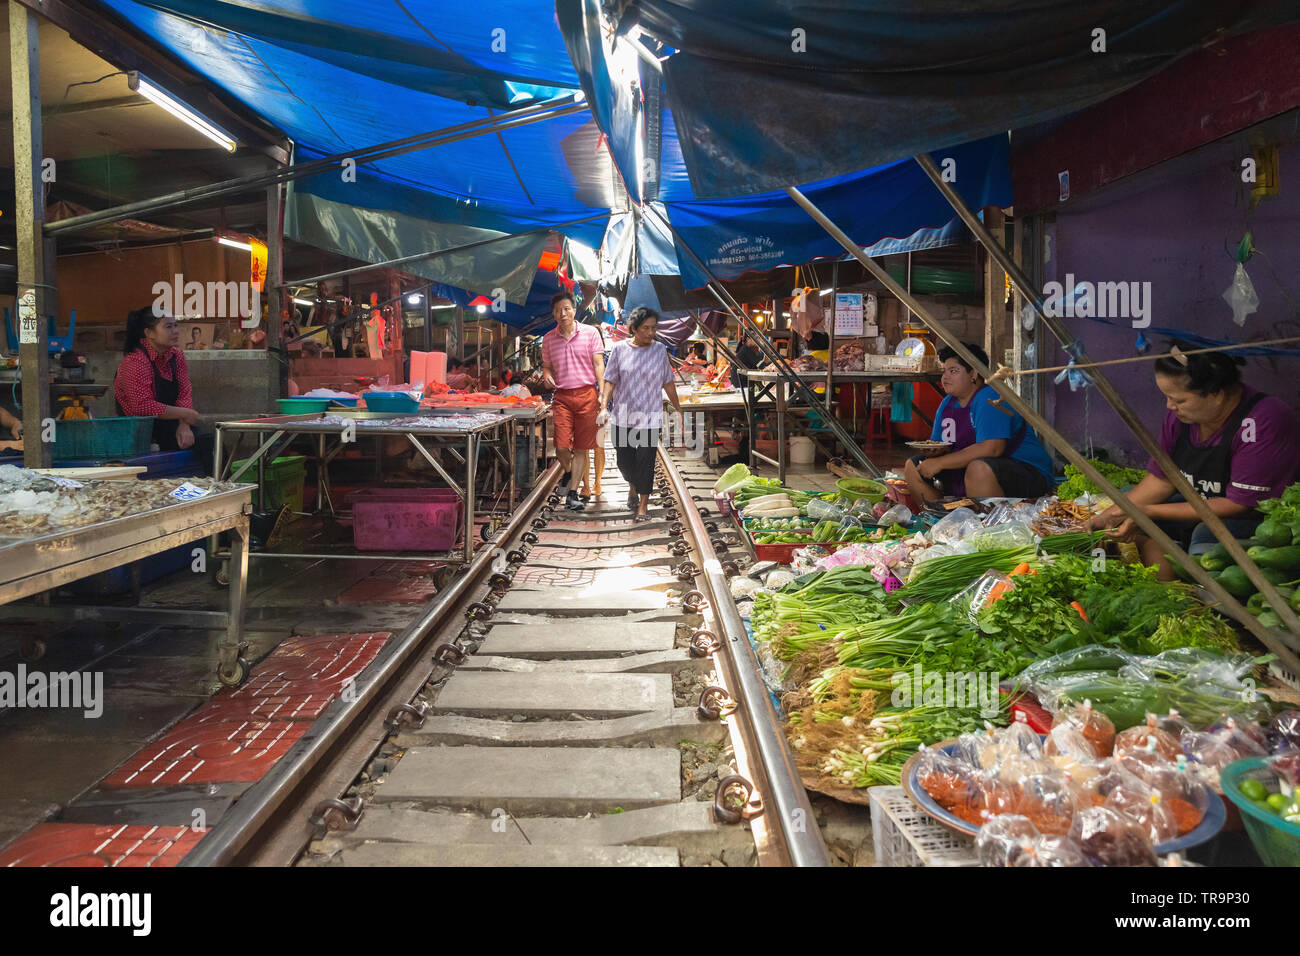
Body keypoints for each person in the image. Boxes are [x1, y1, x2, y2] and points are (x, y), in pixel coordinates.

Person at [1089, 345, 1300, 577]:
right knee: (1126, 507)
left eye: (1178, 399)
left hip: (1256, 519)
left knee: (1205, 537)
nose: (1170, 406)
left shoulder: (1263, 421)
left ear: (1216, 394)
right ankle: (1165, 584)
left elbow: (1240, 505)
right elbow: (1162, 480)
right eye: (1167, 397)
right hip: (1203, 501)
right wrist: (1107, 516)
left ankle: (1192, 594)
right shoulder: (1181, 418)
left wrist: (1149, 511)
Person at [904, 343, 1055, 503]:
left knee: (978, 469)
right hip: (969, 467)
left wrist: (940, 462)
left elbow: (993, 448)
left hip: (1026, 472)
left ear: (974, 374)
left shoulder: (990, 397)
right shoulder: (948, 403)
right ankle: (941, 520)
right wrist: (933, 455)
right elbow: (937, 444)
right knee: (913, 466)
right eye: (944, 371)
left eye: (953, 371)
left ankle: (986, 524)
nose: (945, 377)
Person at [600, 307, 683, 521]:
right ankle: (632, 486)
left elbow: (668, 382)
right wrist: (603, 406)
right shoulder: (619, 350)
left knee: (646, 460)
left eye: (654, 328)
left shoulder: (659, 350)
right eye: (646, 328)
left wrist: (679, 409)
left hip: (650, 415)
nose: (650, 332)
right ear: (634, 329)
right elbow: (610, 380)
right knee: (624, 461)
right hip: (623, 415)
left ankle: (643, 506)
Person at [114, 307, 213, 474]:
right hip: (140, 433)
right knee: (207, 444)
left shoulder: (177, 356)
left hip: (169, 426)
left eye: (175, 325)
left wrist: (184, 424)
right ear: (149, 333)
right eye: (168, 327)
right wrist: (185, 414)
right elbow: (142, 406)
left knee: (211, 442)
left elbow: (184, 392)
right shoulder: (135, 361)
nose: (175, 331)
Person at [541, 291, 605, 511]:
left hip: (587, 395)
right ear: (554, 314)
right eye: (558, 310)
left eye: (567, 308)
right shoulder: (549, 339)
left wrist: (602, 395)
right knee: (561, 447)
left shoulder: (591, 333)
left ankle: (573, 493)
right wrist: (546, 375)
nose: (563, 313)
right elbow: (547, 366)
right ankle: (568, 473)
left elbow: (598, 365)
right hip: (562, 398)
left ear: (574, 310)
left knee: (581, 448)